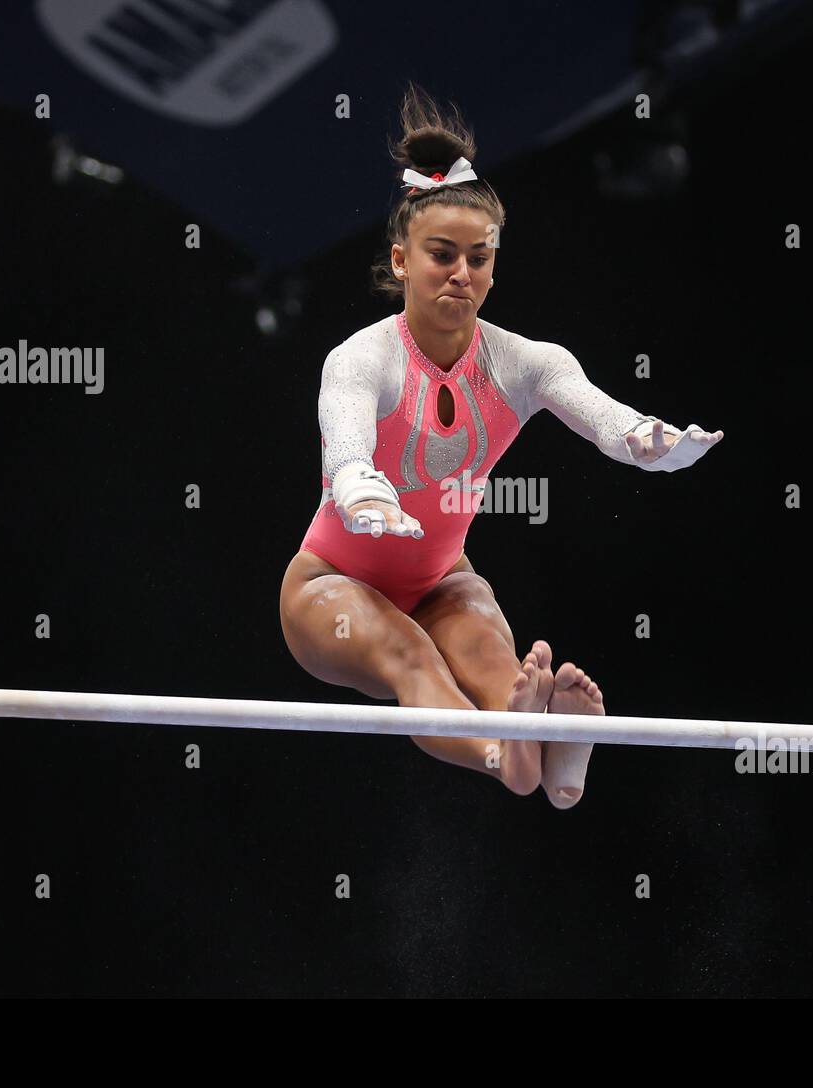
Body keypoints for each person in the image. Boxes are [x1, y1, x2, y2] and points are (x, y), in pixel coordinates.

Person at [279, 84, 722, 808]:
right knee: (412, 655)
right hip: (329, 587)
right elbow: (347, 441)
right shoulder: (362, 358)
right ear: (400, 260)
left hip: (441, 580)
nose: (462, 273)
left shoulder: (526, 362)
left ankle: (554, 764)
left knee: (494, 654)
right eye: (442, 254)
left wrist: (649, 440)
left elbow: (605, 418)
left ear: (494, 263)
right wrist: (360, 487)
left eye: (478, 258)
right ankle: (511, 758)